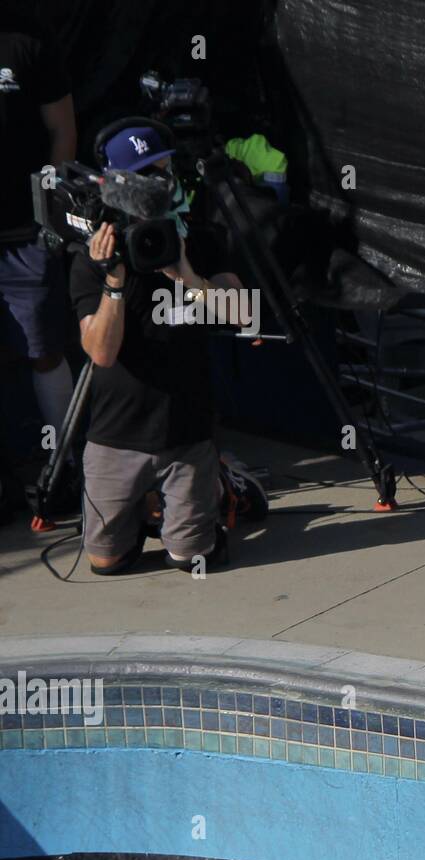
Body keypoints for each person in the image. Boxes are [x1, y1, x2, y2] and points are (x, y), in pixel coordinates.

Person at [71, 121, 255, 575]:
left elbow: (245, 317)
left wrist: (190, 279)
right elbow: (101, 354)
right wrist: (114, 280)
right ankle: (143, 507)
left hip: (185, 431)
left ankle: (221, 484)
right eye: (142, 177)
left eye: (160, 172)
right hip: (117, 432)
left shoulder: (201, 239)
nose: (155, 187)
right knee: (106, 562)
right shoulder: (92, 257)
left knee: (191, 560)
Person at [0, 8, 77, 439]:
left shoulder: (31, 36)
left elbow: (62, 131)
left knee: (44, 350)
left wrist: (48, 213)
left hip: (25, 233)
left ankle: (63, 459)